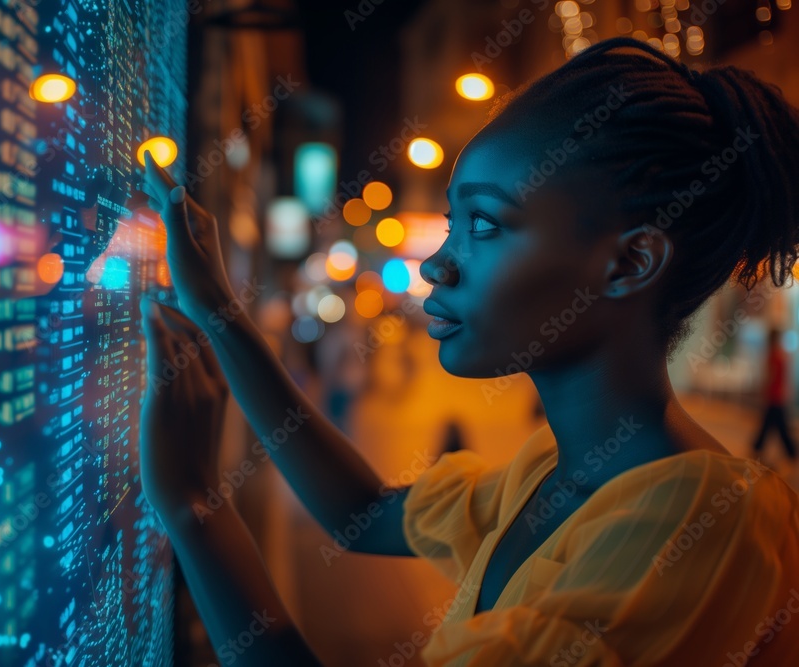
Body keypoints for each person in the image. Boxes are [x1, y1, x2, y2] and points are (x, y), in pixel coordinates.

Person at [136, 35, 799, 666]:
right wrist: (220, 314)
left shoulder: (697, 522)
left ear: (629, 262)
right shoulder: (552, 470)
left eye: (485, 224)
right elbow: (363, 515)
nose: (436, 266)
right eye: (453, 223)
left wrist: (196, 506)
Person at [750, 326, 799, 464]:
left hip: (774, 395)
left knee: (776, 425)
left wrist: (763, 389)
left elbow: (770, 376)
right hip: (779, 395)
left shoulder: (773, 354)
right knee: (772, 424)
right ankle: (760, 447)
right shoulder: (782, 354)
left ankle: (791, 451)